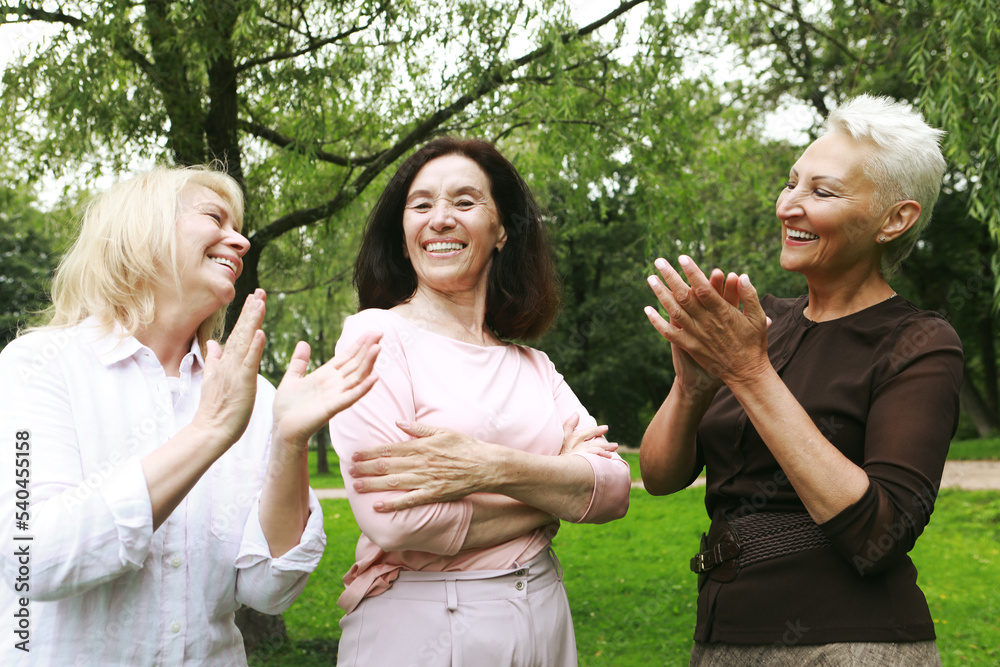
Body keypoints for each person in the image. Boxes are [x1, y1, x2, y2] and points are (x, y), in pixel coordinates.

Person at [0, 166, 381, 665]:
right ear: (143, 231)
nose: (240, 241)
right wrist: (209, 431)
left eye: (238, 227)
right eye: (215, 219)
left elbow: (267, 591)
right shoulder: (37, 366)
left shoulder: (253, 395)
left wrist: (290, 443)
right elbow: (32, 559)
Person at [640, 94, 963, 665]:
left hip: (850, 644)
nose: (788, 206)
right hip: (720, 638)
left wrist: (748, 373)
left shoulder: (919, 343)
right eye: (791, 183)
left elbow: (877, 537)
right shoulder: (759, 323)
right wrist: (692, 387)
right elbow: (661, 477)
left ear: (895, 219)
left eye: (822, 192)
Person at [328, 137, 631, 666]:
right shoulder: (375, 338)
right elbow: (395, 519)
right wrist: (556, 493)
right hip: (429, 629)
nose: (440, 219)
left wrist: (490, 468)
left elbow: (613, 489)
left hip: (545, 613)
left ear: (502, 230)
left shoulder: (533, 366)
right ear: (403, 235)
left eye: (464, 202)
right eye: (421, 205)